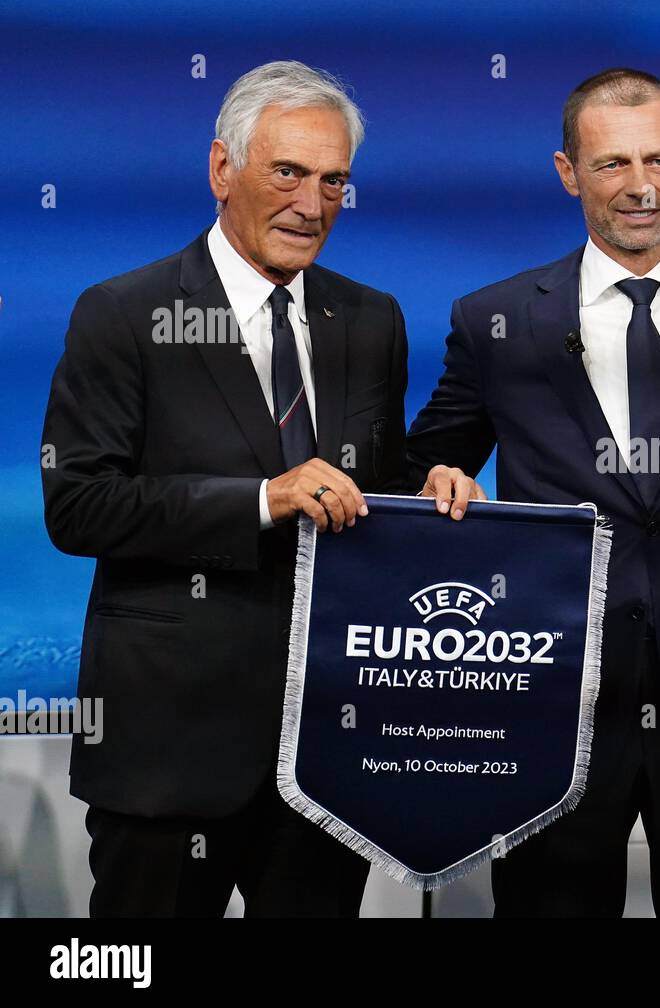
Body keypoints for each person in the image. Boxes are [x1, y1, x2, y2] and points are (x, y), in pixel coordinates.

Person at [407, 68, 660, 916]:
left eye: (657, 159)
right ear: (567, 172)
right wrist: (434, 480)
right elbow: (427, 462)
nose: (640, 187)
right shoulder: (497, 321)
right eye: (613, 164)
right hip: (559, 707)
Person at [41, 60, 423, 917]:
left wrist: (429, 493)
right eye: (287, 172)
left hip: (325, 754)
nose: (313, 203)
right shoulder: (123, 314)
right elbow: (77, 505)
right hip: (170, 752)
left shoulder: (372, 319)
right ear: (222, 169)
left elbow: (371, 491)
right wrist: (261, 498)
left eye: (334, 181)